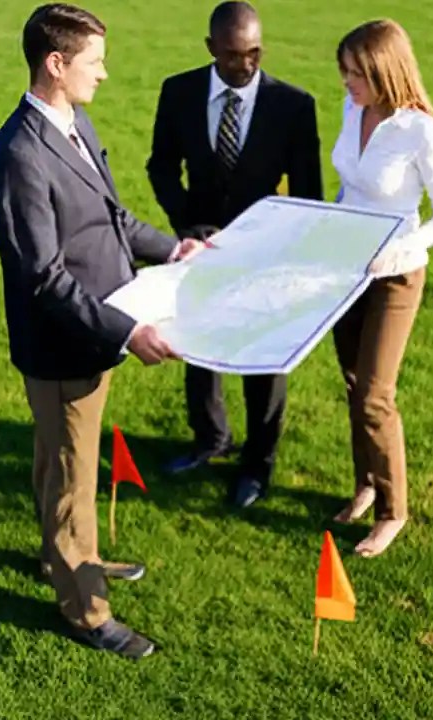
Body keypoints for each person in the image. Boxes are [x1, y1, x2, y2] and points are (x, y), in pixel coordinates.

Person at [0, 3, 202, 659]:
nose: (104, 75)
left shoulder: (72, 120)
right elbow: (44, 278)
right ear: (56, 64)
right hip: (64, 346)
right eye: (95, 62)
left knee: (63, 464)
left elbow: (113, 217)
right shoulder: (21, 156)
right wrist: (130, 332)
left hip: (96, 333)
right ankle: (86, 612)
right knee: (72, 475)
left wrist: (173, 249)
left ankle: (72, 560)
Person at [145, 1, 323, 508]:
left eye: (253, 54)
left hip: (266, 253)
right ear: (210, 49)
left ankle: (258, 465)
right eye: (231, 56)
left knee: (264, 360)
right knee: (198, 344)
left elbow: (308, 194)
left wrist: (280, 249)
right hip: (199, 247)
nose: (244, 66)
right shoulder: (177, 93)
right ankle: (210, 439)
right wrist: (188, 225)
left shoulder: (293, 106)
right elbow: (161, 168)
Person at [328, 19, 433, 557]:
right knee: (352, 383)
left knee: (375, 396)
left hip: (395, 275)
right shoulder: (352, 109)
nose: (345, 84)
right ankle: (365, 483)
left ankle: (393, 511)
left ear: (384, 70)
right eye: (343, 73)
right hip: (346, 267)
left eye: (354, 74)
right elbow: (349, 183)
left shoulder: (423, 132)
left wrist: (401, 250)